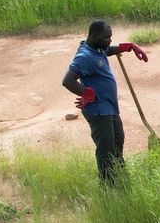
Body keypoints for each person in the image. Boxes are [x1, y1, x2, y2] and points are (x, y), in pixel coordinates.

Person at [61, 20, 147, 184]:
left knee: (118, 141)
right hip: (98, 110)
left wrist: (128, 47)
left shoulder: (96, 48)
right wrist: (86, 93)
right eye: (107, 37)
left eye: (111, 37)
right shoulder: (84, 57)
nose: (110, 41)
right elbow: (67, 80)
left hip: (109, 107)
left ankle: (121, 179)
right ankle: (108, 186)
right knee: (106, 150)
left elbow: (106, 50)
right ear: (94, 36)